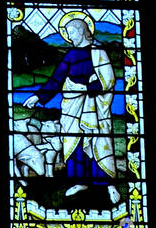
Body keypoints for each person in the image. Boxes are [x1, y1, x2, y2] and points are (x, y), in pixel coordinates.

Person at [24, 12, 116, 201]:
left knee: (97, 142)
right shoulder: (70, 55)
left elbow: (108, 79)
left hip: (93, 105)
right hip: (72, 106)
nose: (69, 35)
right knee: (74, 143)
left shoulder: (98, 52)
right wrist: (38, 96)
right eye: (67, 32)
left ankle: (107, 184)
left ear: (82, 32)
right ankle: (79, 182)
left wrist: (93, 86)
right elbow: (56, 79)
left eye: (71, 31)